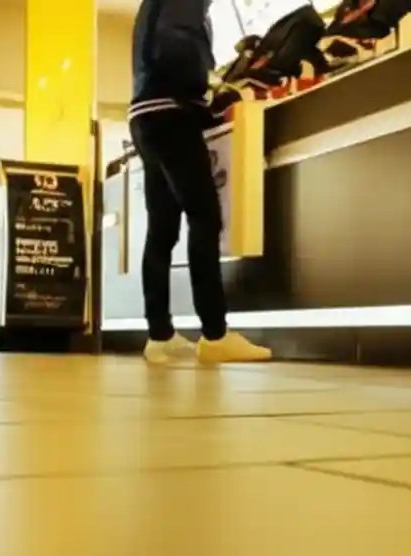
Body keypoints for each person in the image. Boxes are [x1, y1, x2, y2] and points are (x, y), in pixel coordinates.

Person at [129, 0, 272, 364]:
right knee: (204, 216)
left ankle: (159, 335)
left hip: (145, 113)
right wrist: (206, 89)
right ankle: (215, 333)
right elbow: (176, 44)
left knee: (162, 229)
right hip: (171, 112)